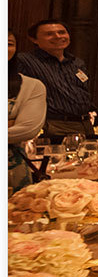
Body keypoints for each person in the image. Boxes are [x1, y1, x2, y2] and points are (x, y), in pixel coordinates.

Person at [16, 19, 93, 141]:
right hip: (53, 125)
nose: (57, 36)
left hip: (85, 124)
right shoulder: (25, 60)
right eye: (49, 34)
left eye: (62, 32)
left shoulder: (77, 62)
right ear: (34, 39)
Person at [10, 32, 46, 191]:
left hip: (11, 170)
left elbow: (28, 129)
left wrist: (16, 126)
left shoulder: (31, 86)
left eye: (9, 44)